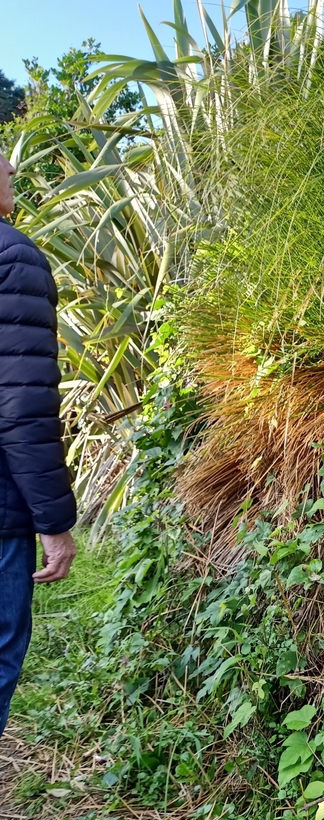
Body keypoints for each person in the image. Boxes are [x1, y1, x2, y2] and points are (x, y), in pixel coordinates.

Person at [0, 150, 77, 737]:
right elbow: (22, 406)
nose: (13, 184)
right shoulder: (13, 256)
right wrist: (54, 523)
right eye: (6, 173)